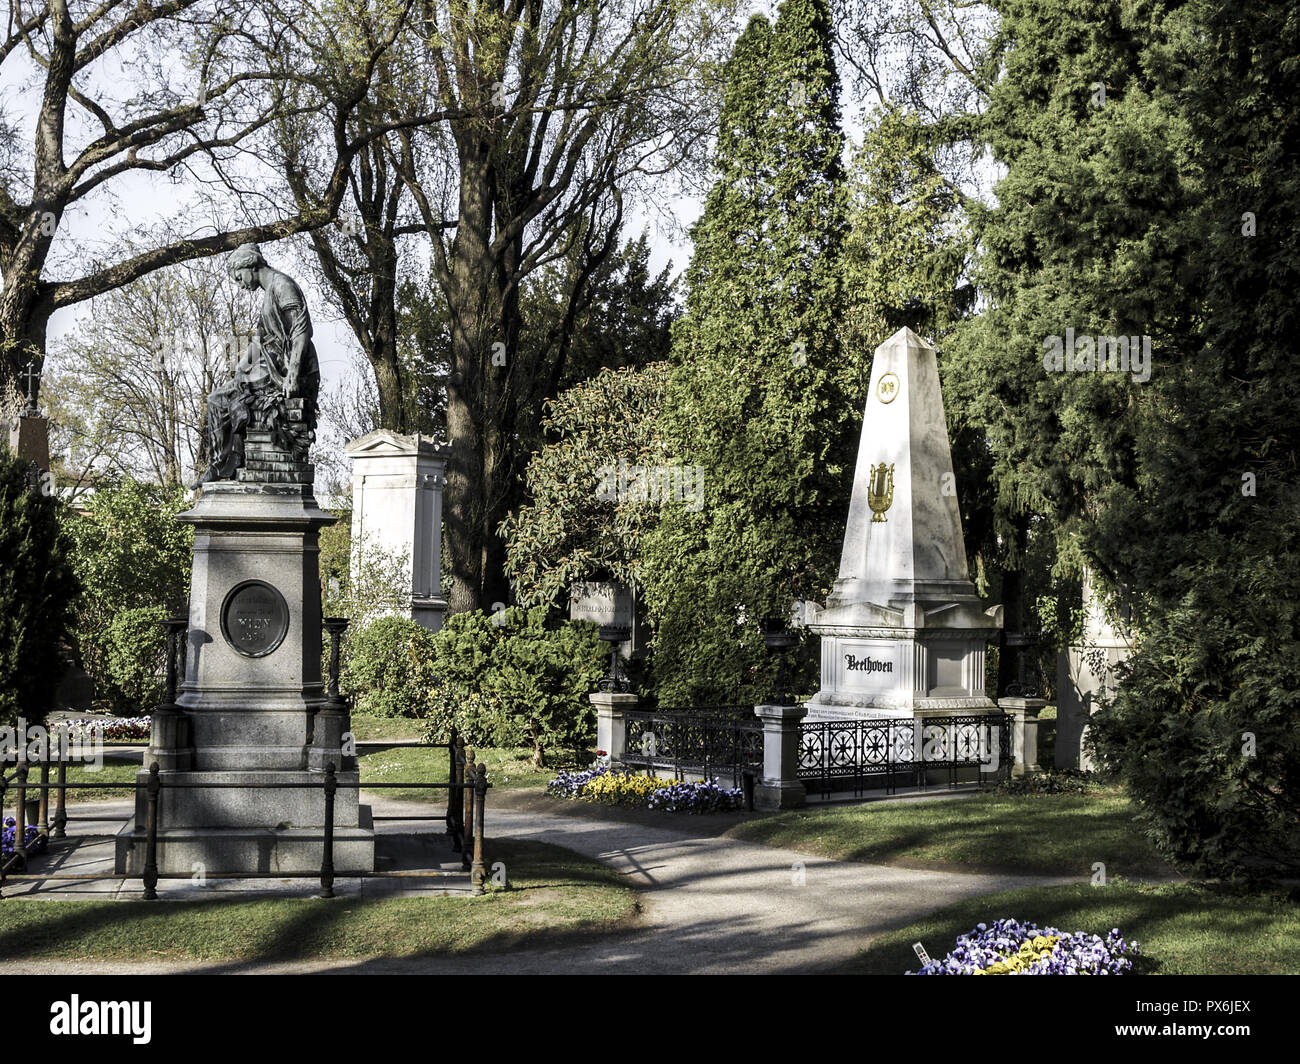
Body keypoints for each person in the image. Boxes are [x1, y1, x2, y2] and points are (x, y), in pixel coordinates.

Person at [193, 244, 320, 487]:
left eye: (239, 277)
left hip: (288, 369)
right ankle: (221, 465)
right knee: (217, 399)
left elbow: (301, 331)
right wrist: (241, 368)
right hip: (271, 365)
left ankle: (222, 465)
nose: (240, 285)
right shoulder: (269, 292)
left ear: (249, 265)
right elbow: (259, 339)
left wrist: (292, 374)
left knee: (226, 397)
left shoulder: (283, 286)